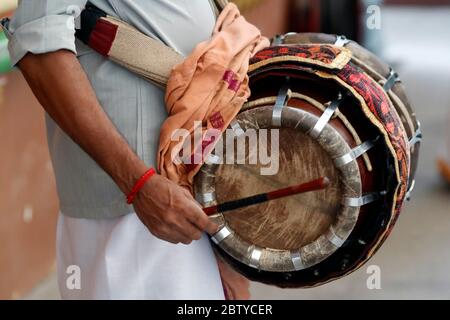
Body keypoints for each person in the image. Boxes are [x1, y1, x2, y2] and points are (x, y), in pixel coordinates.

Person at [2, 0, 225, 299]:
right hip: (136, 215)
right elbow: (40, 47)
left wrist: (227, 261)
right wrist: (139, 184)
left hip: (191, 195)